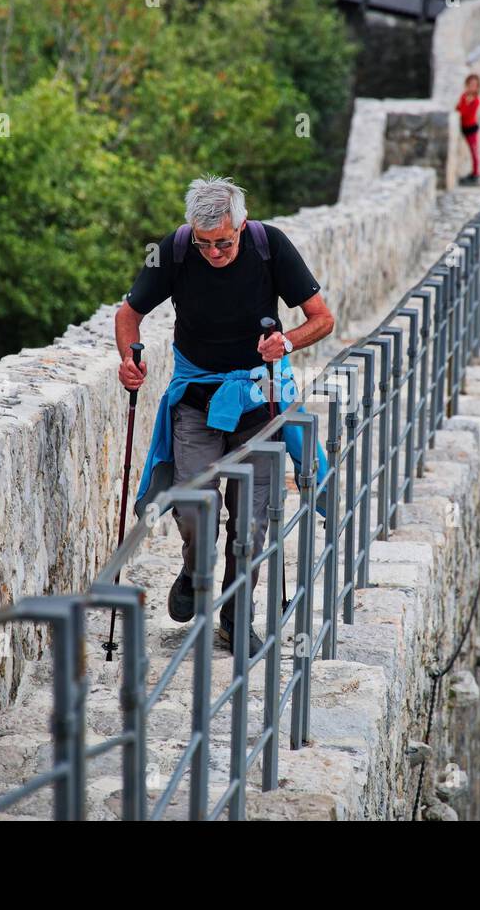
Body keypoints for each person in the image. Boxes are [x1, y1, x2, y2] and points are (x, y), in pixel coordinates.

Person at [117, 176, 336, 654]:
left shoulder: (270, 246)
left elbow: (322, 317)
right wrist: (128, 361)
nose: (213, 252)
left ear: (241, 226)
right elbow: (128, 314)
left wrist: (286, 342)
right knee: (197, 509)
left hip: (260, 402)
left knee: (252, 522)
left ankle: (235, 617)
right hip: (196, 403)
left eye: (223, 242)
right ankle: (195, 572)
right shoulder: (174, 250)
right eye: (205, 243)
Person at [457, 74, 480, 184]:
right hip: (463, 126)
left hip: (471, 128)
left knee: (474, 151)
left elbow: (467, 113)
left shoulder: (476, 100)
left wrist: (466, 104)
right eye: (470, 84)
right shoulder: (463, 96)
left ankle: (476, 173)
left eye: (474, 85)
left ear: (477, 87)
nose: (472, 87)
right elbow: (459, 108)